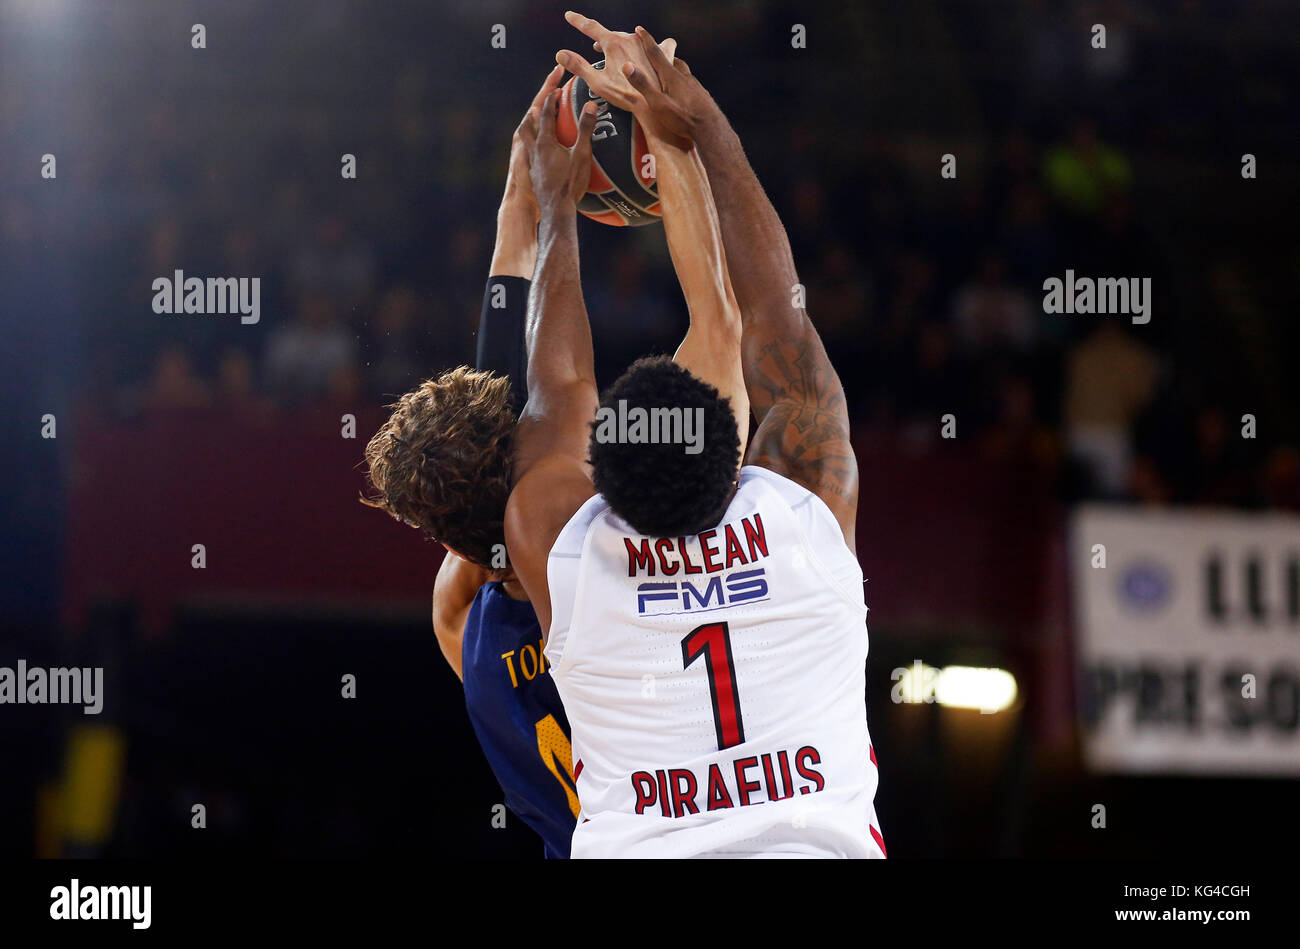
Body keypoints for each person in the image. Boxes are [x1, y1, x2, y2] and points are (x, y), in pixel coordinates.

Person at [504, 14, 883, 858]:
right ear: (735, 444)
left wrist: (546, 199)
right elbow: (775, 318)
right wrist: (696, 123)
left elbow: (556, 392)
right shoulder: (806, 512)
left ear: (598, 479)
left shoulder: (564, 547)